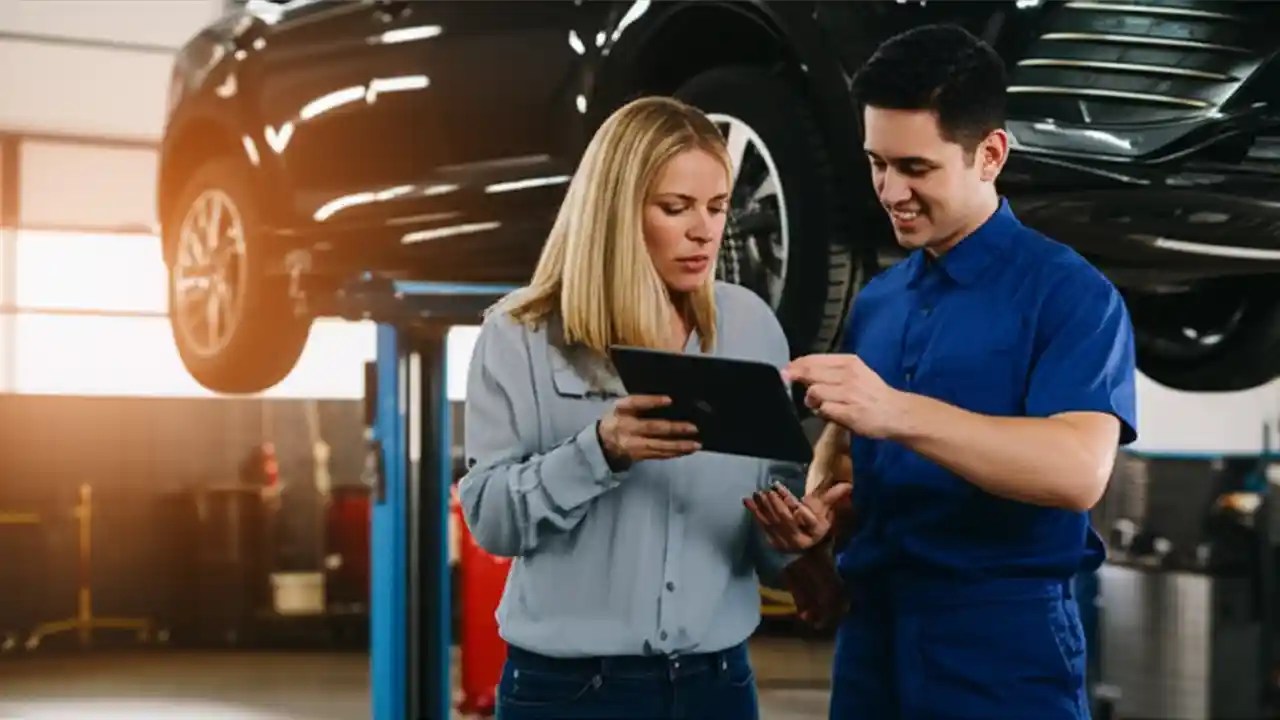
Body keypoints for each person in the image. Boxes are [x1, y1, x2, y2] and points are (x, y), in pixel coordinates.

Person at [745, 24, 1139, 720]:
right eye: (876, 163)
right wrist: (816, 529)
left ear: (989, 154)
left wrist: (895, 411)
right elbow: (849, 464)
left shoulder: (1069, 294)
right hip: (873, 632)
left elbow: (1077, 471)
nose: (890, 191)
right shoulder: (879, 303)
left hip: (1004, 642)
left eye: (915, 168)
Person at [456, 95, 806, 720]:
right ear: (617, 213)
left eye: (718, 207)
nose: (705, 230)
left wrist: (796, 539)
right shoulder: (520, 335)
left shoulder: (753, 329)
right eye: (676, 208)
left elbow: (769, 538)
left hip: (717, 687)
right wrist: (598, 452)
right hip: (569, 693)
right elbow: (491, 522)